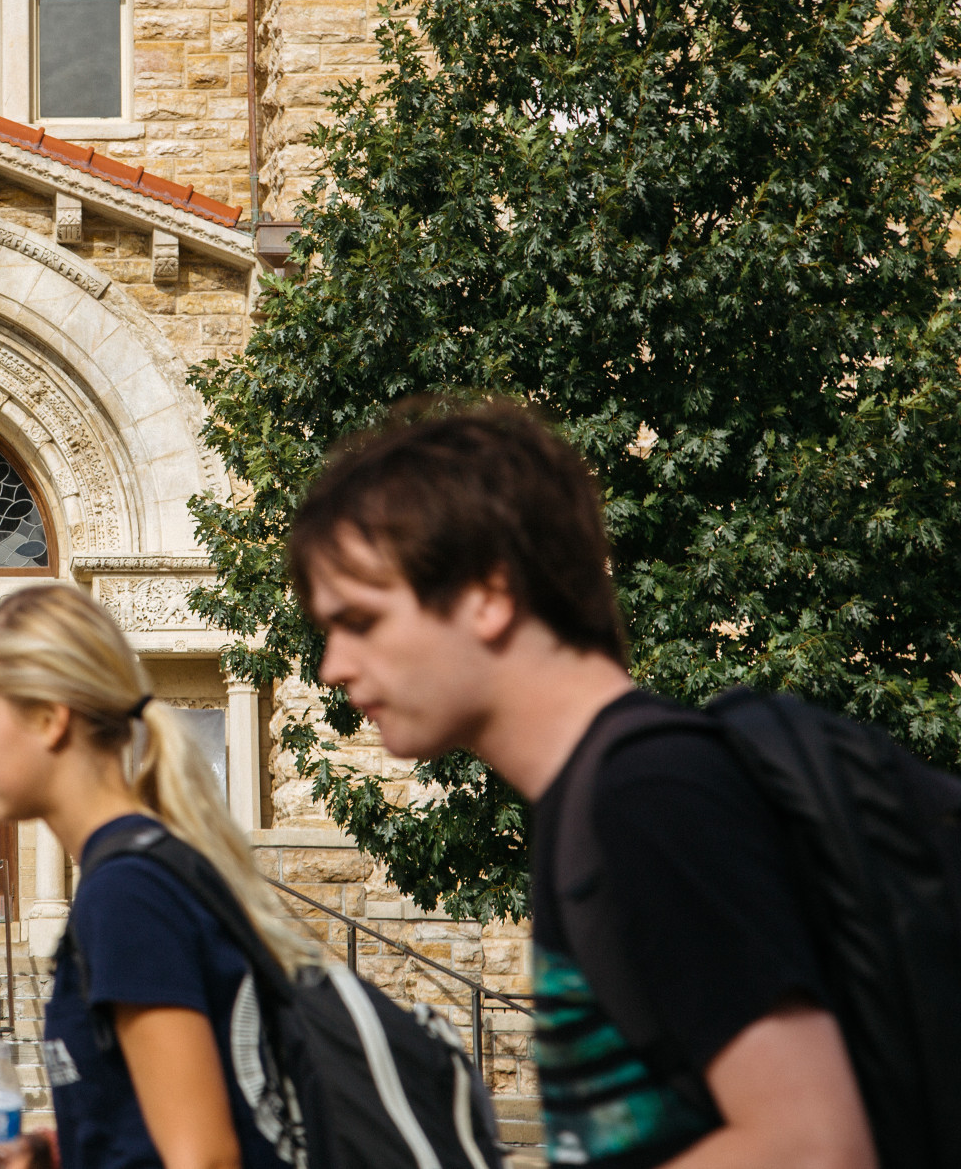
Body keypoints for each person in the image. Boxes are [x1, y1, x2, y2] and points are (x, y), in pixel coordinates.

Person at [289, 399, 874, 1169]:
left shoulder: (647, 793)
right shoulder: (591, 800)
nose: (332, 666)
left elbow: (811, 1147)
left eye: (360, 621)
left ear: (489, 594)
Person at [0, 583, 318, 1169]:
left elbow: (204, 1160)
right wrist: (48, 1154)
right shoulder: (140, 870)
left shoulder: (127, 895)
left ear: (49, 718)